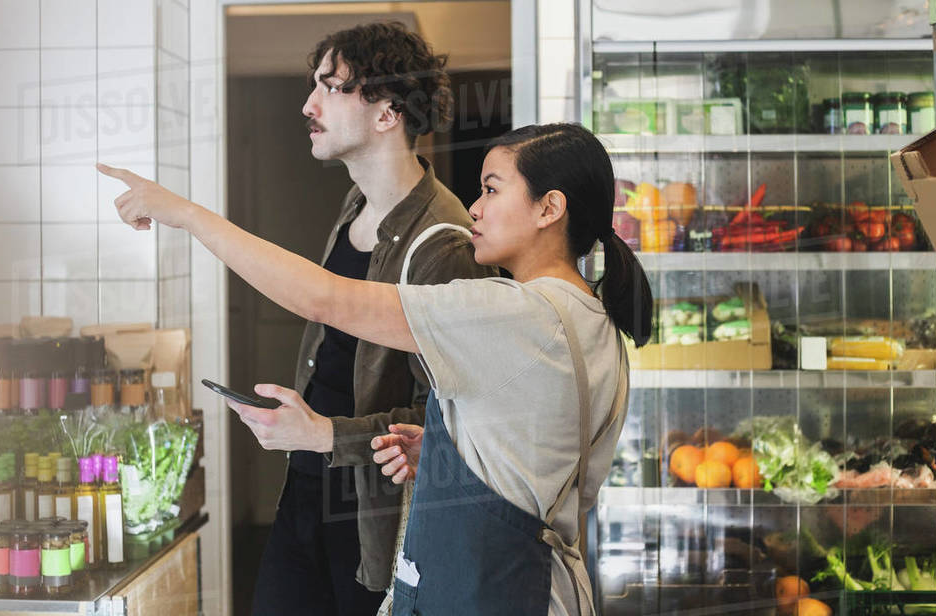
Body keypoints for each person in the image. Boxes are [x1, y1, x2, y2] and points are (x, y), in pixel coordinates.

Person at [98, 121, 653, 616]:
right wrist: (447, 455)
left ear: (549, 208)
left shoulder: (515, 312)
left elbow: (327, 300)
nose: (475, 207)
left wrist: (187, 215)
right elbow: (535, 459)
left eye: (490, 189)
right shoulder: (592, 321)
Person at [204, 22, 494, 615]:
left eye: (331, 88)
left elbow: (454, 415)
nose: (309, 105)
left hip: (374, 516)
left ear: (387, 113)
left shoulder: (445, 242)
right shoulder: (357, 202)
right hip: (308, 483)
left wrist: (325, 434)